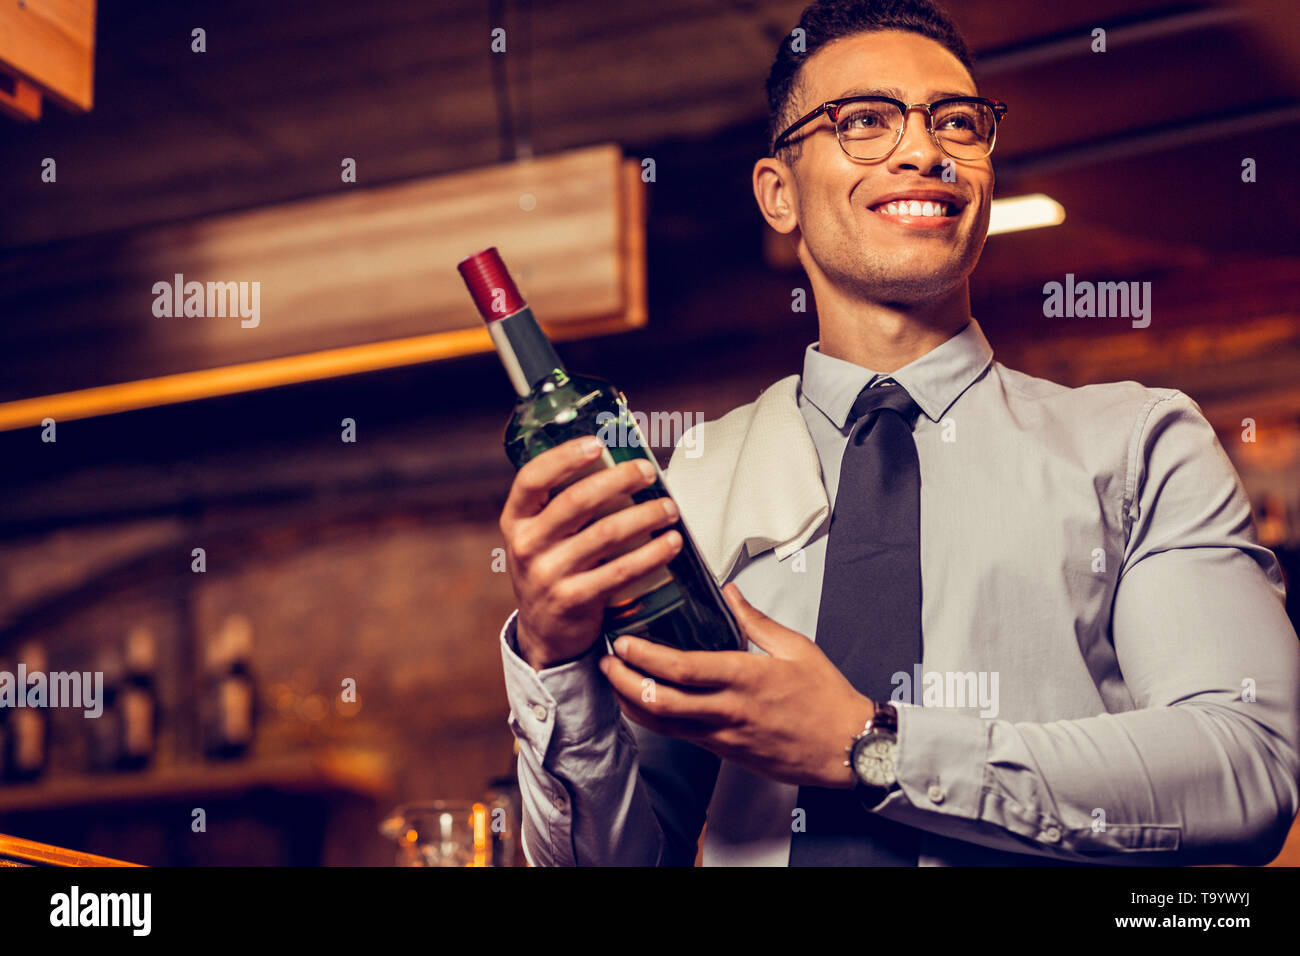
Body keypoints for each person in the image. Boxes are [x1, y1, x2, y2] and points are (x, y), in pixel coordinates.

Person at [493, 0, 1300, 866]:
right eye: (865, 121)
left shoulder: (1141, 446)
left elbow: (1244, 769)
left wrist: (873, 746)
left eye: (957, 121)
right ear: (777, 193)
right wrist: (552, 659)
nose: (925, 152)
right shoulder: (691, 482)